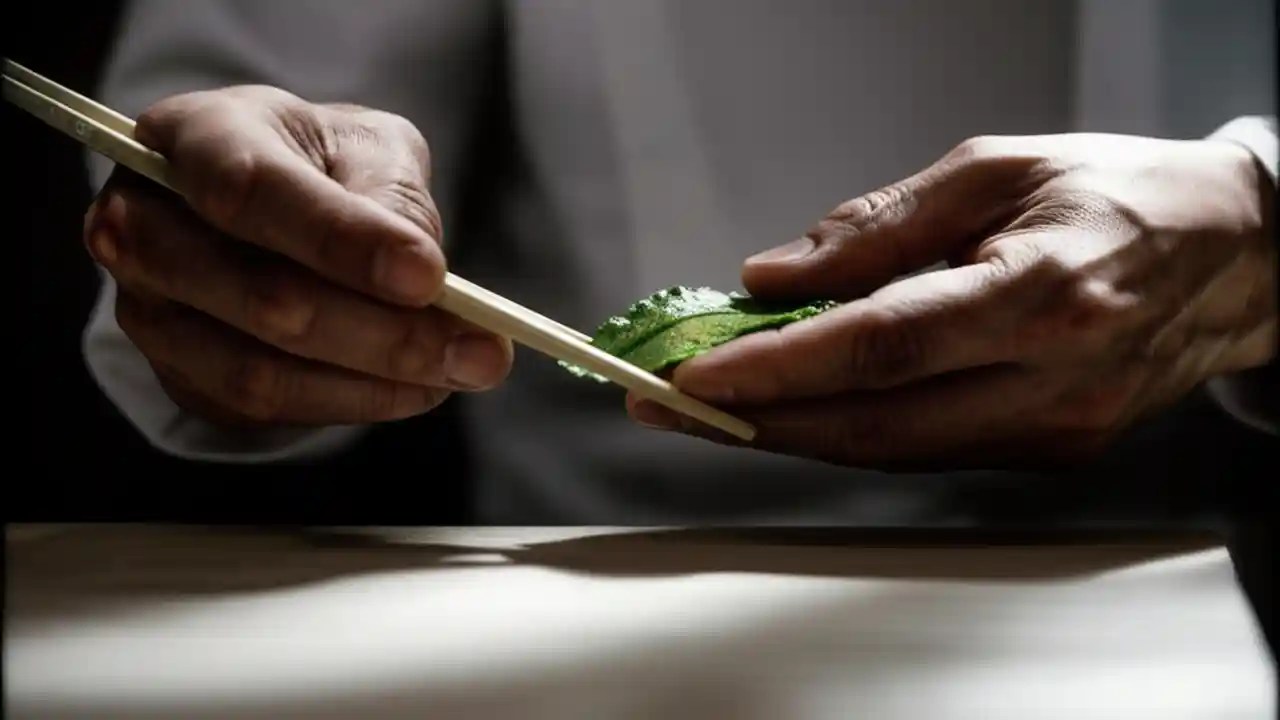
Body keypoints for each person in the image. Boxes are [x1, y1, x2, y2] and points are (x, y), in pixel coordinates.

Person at [79, 0, 1275, 524]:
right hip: (592, 583)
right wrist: (246, 239)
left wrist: (1256, 212)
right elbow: (255, 113)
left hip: (1196, 593)